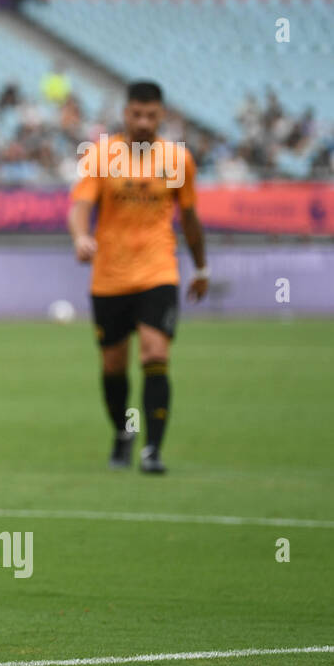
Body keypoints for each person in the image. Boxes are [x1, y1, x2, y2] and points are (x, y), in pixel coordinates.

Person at [68, 80, 208, 474]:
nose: (144, 122)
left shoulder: (178, 160)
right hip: (109, 277)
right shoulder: (101, 156)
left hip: (158, 271)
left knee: (155, 353)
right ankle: (123, 432)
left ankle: (152, 450)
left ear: (162, 115)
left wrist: (201, 267)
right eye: (137, 114)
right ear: (125, 113)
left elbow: (191, 220)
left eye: (151, 115)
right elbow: (80, 206)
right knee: (114, 367)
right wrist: (81, 237)